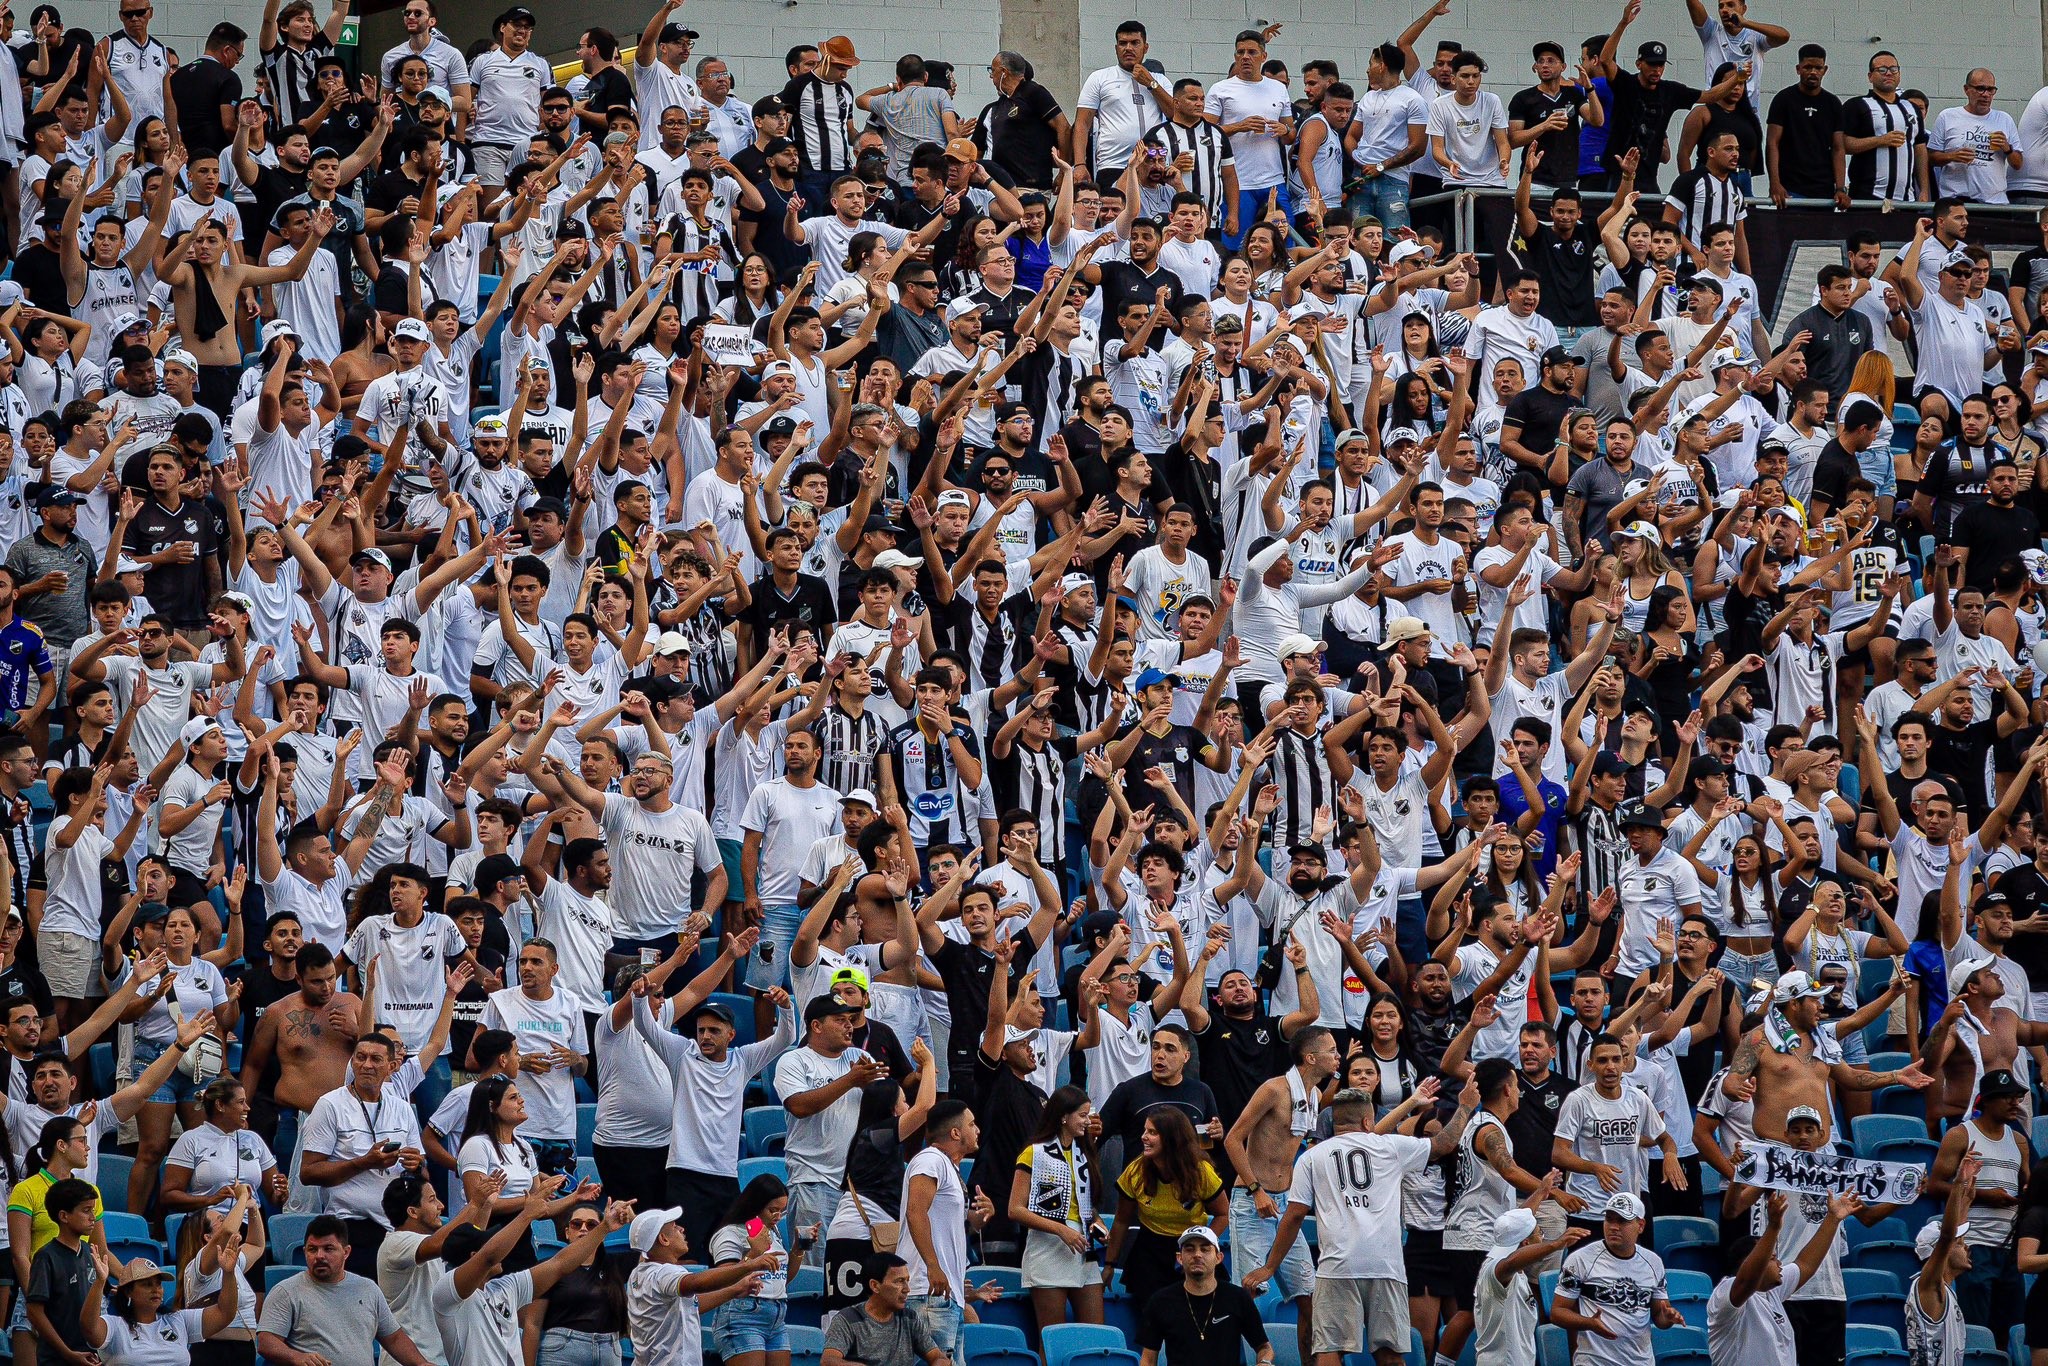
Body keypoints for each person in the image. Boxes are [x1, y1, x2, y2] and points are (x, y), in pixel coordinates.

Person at [1244, 1080, 1479, 1366]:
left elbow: (1293, 1216)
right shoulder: (1390, 1146)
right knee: (1390, 1354)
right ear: (1369, 1120)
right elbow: (1444, 1144)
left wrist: (1270, 1266)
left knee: (1329, 1352)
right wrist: (1465, 1105)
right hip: (1386, 1266)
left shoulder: (1311, 1158)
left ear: (1335, 1122)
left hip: (1336, 1267)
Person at [1136, 1226, 1272, 1366]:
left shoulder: (1238, 1298)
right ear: (1180, 1258)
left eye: (1205, 1249)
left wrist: (1265, 1362)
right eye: (1189, 1249)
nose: (1197, 1255)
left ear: (1219, 1257)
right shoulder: (1161, 1301)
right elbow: (1148, 1359)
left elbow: (1264, 1348)